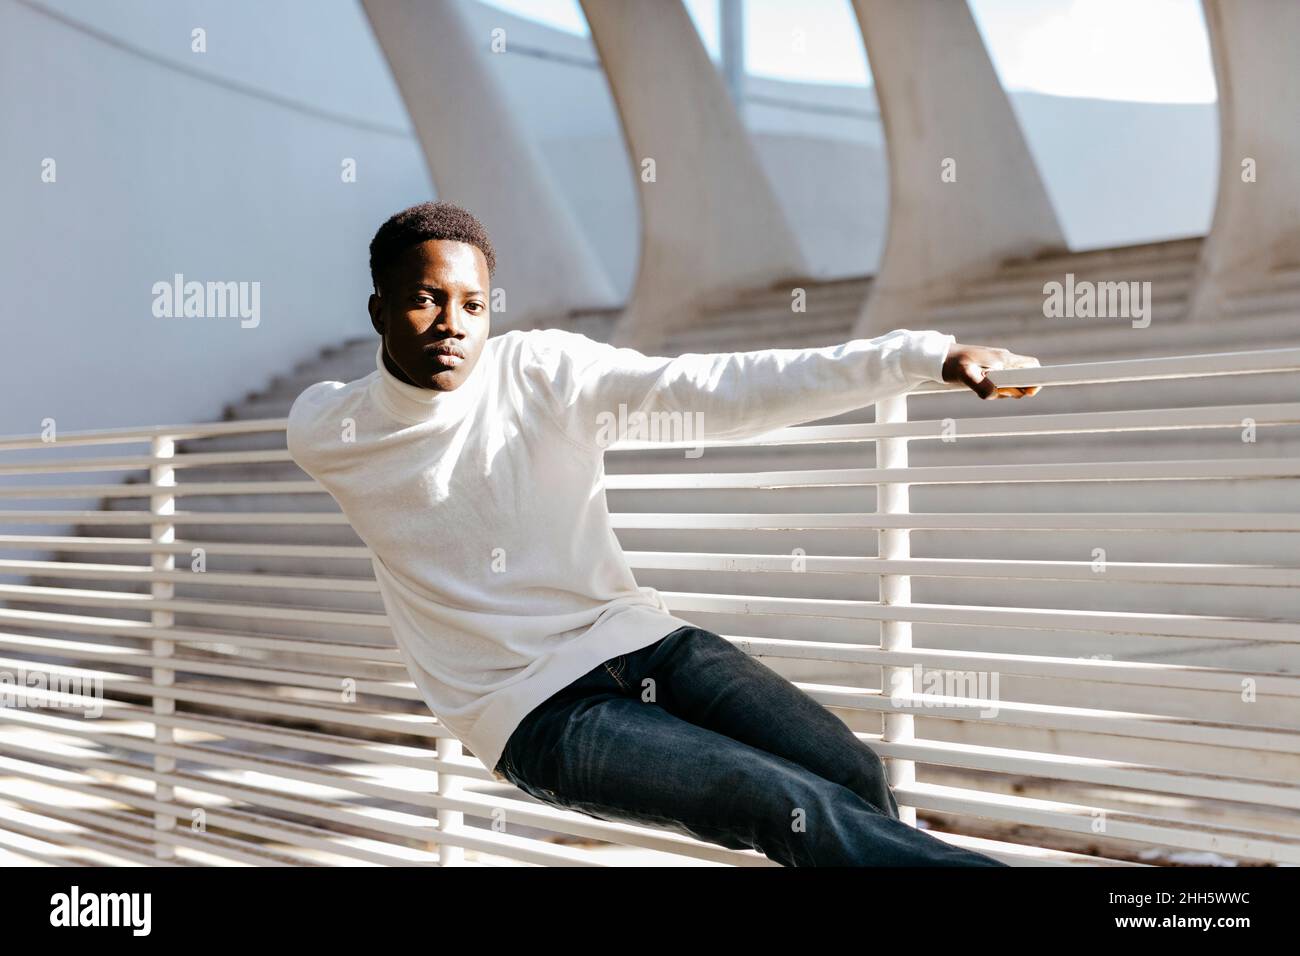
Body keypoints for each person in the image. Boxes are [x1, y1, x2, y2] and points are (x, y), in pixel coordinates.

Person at [286, 200, 1041, 866]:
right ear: (379, 309)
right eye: (425, 299)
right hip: (534, 715)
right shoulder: (328, 428)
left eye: (474, 304)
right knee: (775, 801)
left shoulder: (543, 372)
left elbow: (712, 389)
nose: (453, 324)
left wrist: (922, 358)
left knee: (850, 775)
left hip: (641, 641)